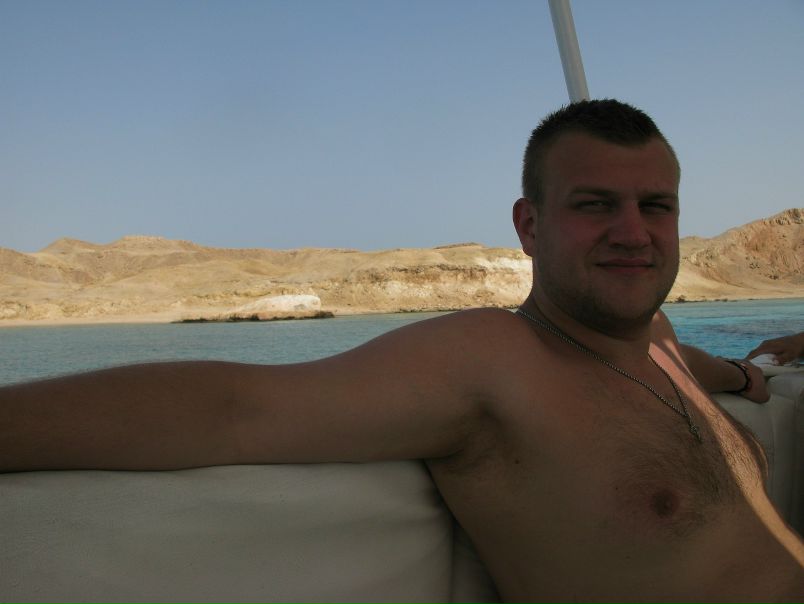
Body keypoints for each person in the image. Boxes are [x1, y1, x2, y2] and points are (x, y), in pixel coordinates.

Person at [2, 99, 802, 601]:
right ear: (529, 226)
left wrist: (747, 372)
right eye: (595, 206)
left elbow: (699, 367)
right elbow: (237, 409)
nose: (633, 231)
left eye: (655, 206)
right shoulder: (492, 360)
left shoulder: (660, 344)